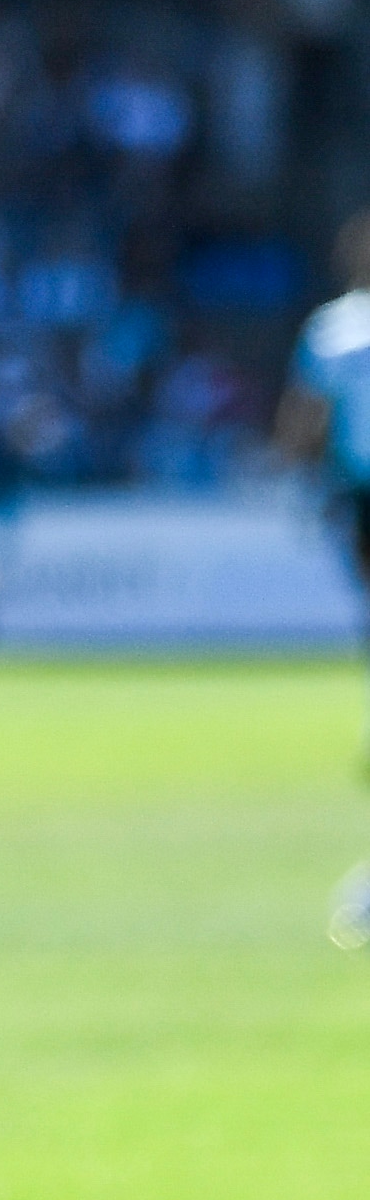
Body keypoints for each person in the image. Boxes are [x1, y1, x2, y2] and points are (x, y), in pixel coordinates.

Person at [274, 210, 370, 943]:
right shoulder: (336, 330)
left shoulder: (335, 329)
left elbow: (302, 426)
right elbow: (306, 424)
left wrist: (298, 470)